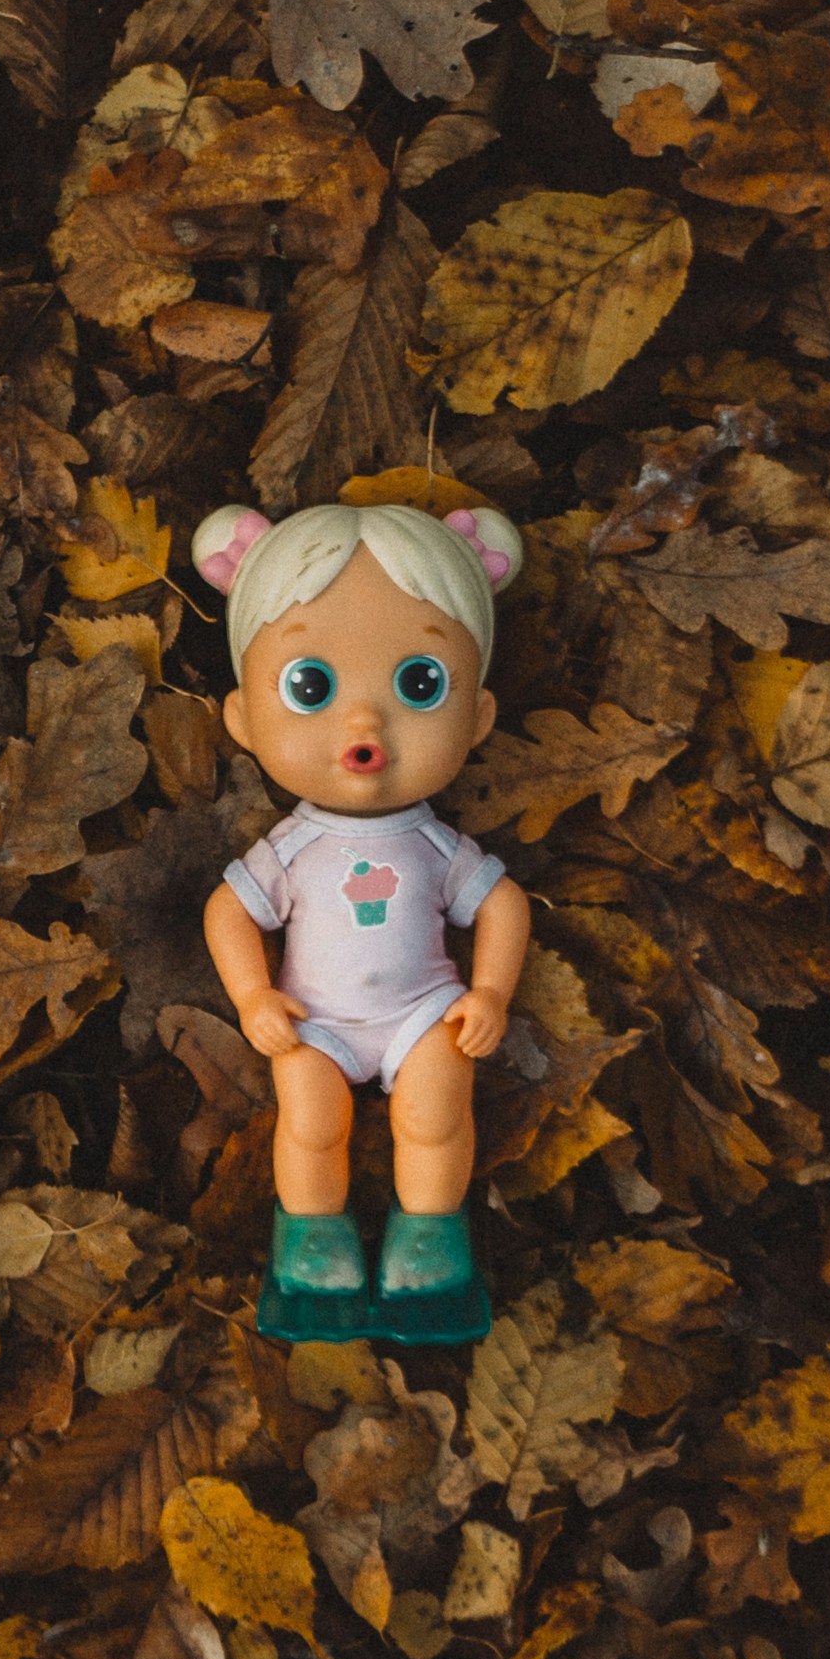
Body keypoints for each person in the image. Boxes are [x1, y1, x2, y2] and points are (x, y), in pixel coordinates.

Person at [192, 492, 531, 1344]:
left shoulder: (433, 844)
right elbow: (230, 910)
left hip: (424, 1011)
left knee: (435, 1114)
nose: (364, 721)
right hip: (313, 1017)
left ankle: (430, 1250)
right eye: (309, 686)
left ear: (477, 716)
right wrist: (252, 997)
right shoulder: (294, 845)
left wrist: (489, 992)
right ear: (242, 718)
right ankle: (313, 1255)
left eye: (420, 684)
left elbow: (501, 903)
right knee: (310, 1125)